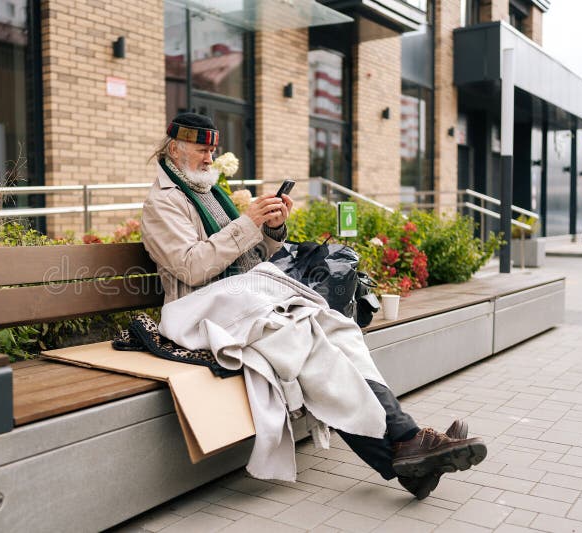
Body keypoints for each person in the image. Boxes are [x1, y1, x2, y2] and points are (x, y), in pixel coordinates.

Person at [140, 112, 487, 500]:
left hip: (247, 299)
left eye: (212, 150)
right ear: (175, 149)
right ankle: (410, 440)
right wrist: (248, 222)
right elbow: (192, 267)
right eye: (203, 150)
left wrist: (270, 228)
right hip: (203, 311)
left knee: (341, 333)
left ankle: (411, 461)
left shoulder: (209, 194)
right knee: (311, 345)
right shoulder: (162, 204)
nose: (209, 158)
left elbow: (251, 255)